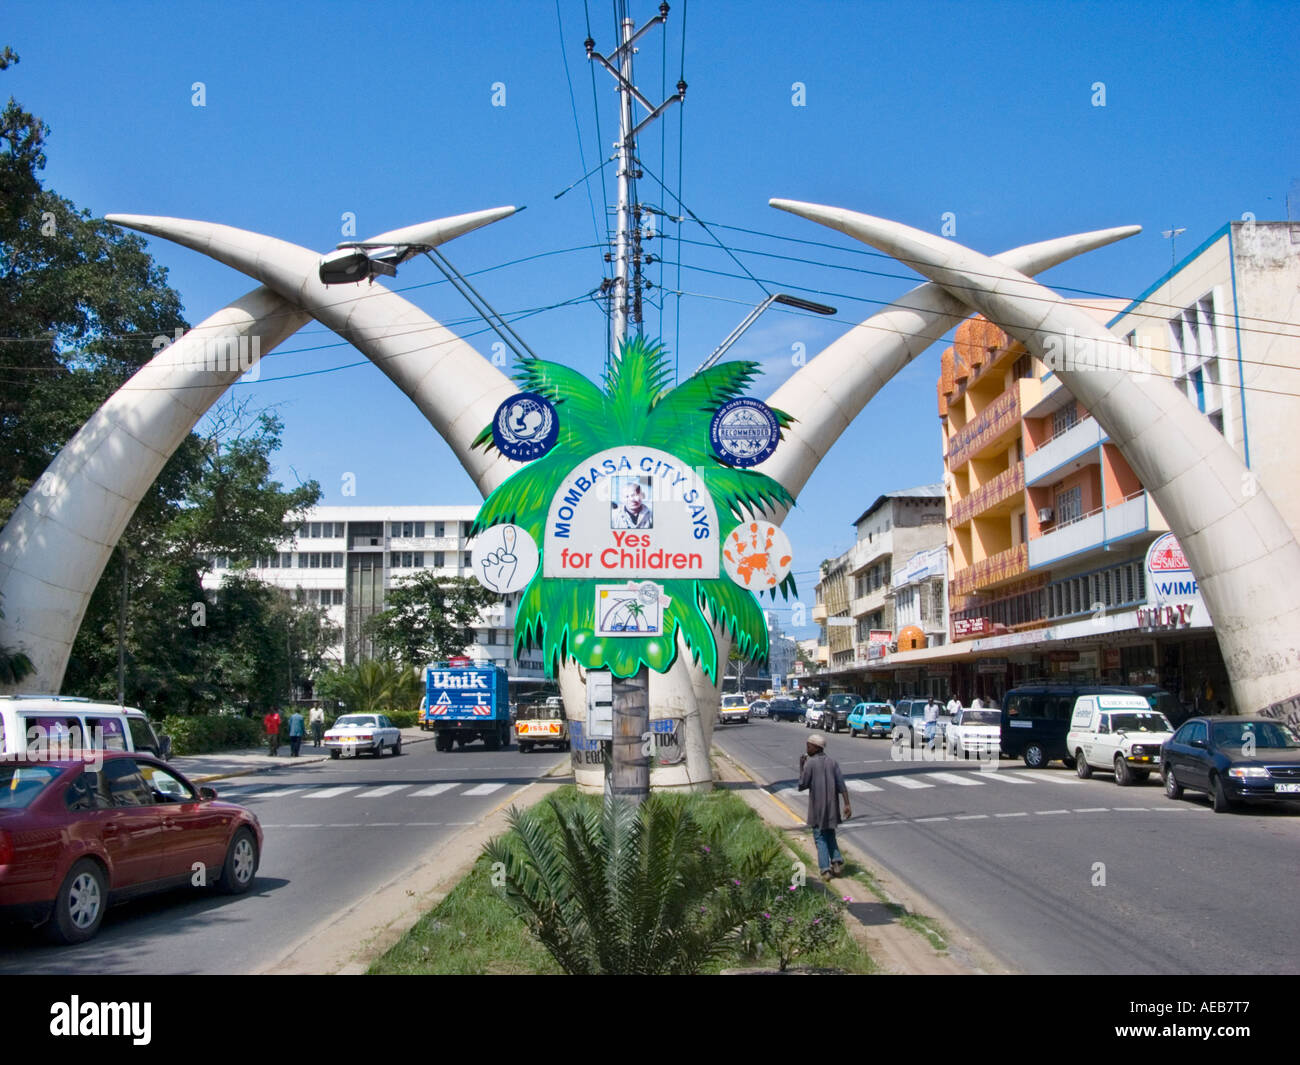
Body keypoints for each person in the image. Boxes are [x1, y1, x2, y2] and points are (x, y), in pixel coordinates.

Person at [798, 732, 851, 880]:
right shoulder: (832, 762)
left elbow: (802, 784)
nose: (807, 748)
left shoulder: (810, 763)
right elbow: (842, 785)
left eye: (808, 746)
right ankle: (836, 862)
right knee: (830, 834)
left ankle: (825, 869)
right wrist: (847, 804)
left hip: (817, 809)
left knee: (820, 837)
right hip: (832, 808)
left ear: (816, 748)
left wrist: (801, 766)